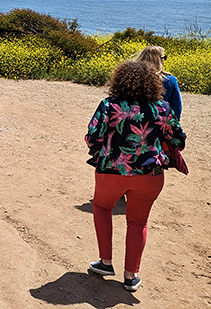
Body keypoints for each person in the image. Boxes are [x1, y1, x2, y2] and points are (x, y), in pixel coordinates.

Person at [85, 61, 186, 292]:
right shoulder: (163, 108)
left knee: (102, 208)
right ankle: (131, 276)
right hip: (150, 175)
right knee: (138, 221)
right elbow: (179, 139)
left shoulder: (109, 105)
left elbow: (92, 137)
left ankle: (105, 263)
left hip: (112, 171)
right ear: (153, 84)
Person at [135, 45, 182, 120]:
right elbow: (176, 107)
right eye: (164, 58)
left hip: (136, 120)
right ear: (159, 60)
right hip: (160, 122)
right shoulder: (170, 80)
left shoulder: (133, 78)